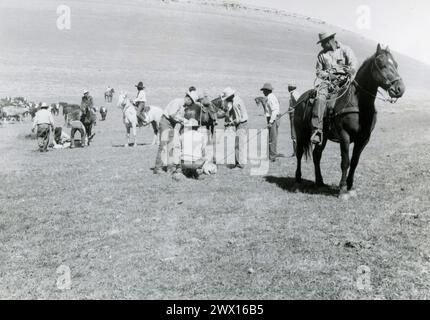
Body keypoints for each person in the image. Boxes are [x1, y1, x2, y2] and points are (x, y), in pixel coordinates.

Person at [311, 32, 358, 145]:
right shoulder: (321, 55)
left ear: (330, 40)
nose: (322, 46)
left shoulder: (346, 49)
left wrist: (350, 72)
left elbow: (354, 64)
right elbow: (318, 71)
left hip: (346, 80)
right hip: (328, 83)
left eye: (323, 43)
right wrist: (328, 76)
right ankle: (317, 130)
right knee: (320, 98)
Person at [153, 90, 199, 174]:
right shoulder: (177, 102)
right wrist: (184, 121)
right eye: (191, 102)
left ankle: (170, 168)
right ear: (188, 98)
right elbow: (172, 115)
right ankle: (158, 168)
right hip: (166, 122)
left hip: (172, 124)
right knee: (163, 145)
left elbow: (179, 119)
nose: (191, 104)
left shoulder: (184, 107)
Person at [221, 87, 248, 169]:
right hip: (242, 123)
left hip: (241, 124)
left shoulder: (235, 103)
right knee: (237, 143)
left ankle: (240, 164)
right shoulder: (237, 98)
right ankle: (237, 162)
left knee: (239, 144)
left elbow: (238, 119)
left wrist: (230, 123)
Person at [260, 83, 280, 162]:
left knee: (272, 138)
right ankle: (272, 155)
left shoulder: (271, 98)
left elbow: (274, 111)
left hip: (273, 119)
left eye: (264, 90)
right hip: (273, 118)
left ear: (267, 91)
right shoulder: (270, 97)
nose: (263, 92)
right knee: (273, 138)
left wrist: (271, 122)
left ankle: (272, 157)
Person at [288, 83, 301, 157]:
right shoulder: (293, 93)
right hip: (294, 115)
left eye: (289, 87)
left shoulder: (294, 94)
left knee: (294, 134)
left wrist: (293, 109)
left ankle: (296, 152)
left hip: (294, 115)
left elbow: (299, 103)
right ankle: (295, 151)